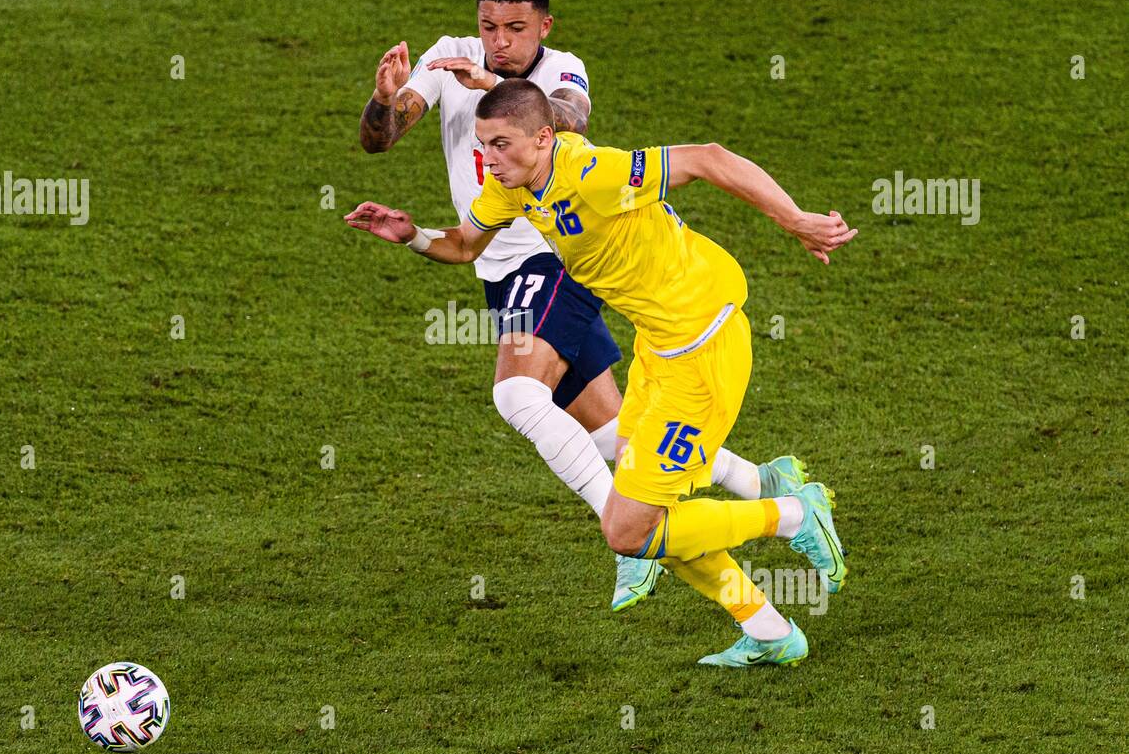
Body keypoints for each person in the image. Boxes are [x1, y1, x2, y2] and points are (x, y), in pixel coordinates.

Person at [346, 79, 857, 665]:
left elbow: (708, 159)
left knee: (628, 531)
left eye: (503, 144)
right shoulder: (513, 187)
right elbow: (465, 245)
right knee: (647, 519)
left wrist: (795, 220)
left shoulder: (593, 173)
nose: (489, 158)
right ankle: (770, 631)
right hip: (661, 347)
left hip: (704, 350)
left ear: (544, 137)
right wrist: (411, 235)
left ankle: (794, 512)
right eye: (483, 145)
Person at [358, 0, 800, 613]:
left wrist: (492, 87)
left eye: (515, 27)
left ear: (544, 25)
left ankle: (632, 540)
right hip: (497, 266)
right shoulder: (449, 58)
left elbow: (568, 117)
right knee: (613, 434)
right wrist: (386, 97)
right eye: (489, 26)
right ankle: (758, 544)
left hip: (551, 260)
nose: (500, 41)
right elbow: (382, 138)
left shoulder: (560, 70)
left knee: (516, 395)